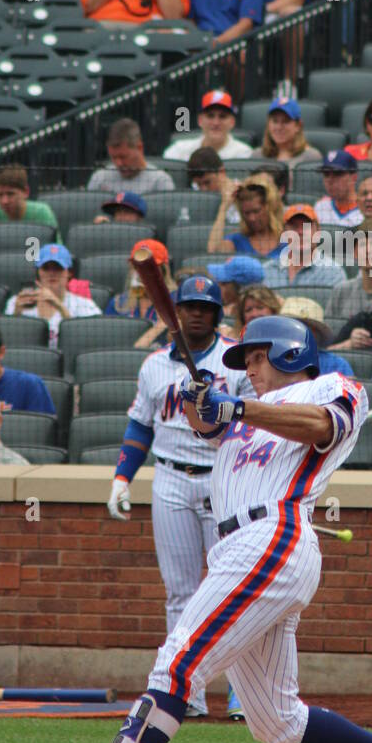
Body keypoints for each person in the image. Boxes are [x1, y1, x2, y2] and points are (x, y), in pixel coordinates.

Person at [13, 314, 372, 743]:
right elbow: (208, 424)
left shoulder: (333, 386)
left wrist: (238, 405)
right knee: (277, 722)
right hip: (239, 547)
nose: (248, 368)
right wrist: (206, 407)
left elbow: (320, 424)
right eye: (243, 361)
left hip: (271, 537)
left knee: (178, 664)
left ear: (290, 352)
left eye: (257, 357)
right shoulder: (248, 414)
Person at [103, 275, 246, 720]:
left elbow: (252, 424)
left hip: (223, 479)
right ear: (175, 312)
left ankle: (242, 695)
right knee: (180, 593)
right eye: (190, 306)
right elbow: (140, 426)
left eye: (206, 307)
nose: (197, 313)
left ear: (217, 314)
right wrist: (122, 477)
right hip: (168, 479)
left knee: (236, 588)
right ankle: (187, 694)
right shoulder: (153, 367)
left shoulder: (235, 360)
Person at [5, 244, 102, 350]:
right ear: (38, 272)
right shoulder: (16, 302)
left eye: (58, 268)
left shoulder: (86, 306)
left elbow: (90, 344)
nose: (51, 273)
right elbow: (6, 344)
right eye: (46, 268)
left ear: (69, 273)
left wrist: (60, 306)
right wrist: (16, 315)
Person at [326, 216, 372, 326]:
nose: (368, 250)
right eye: (363, 244)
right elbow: (328, 337)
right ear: (354, 253)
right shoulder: (341, 291)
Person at [263, 203, 346, 291]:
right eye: (294, 227)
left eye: (306, 227)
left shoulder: (333, 273)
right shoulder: (267, 271)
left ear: (318, 233)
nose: (300, 232)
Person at [209, 170, 286, 259]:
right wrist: (224, 206)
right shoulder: (236, 240)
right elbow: (213, 251)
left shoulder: (287, 239)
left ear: (269, 207)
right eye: (246, 213)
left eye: (256, 211)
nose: (252, 218)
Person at [88, 117, 175, 194]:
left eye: (123, 157)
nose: (119, 164)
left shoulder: (160, 181)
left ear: (139, 148)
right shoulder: (99, 178)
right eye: (114, 157)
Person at [167, 89, 252, 165]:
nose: (216, 123)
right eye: (210, 116)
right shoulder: (179, 150)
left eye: (222, 116)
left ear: (232, 122)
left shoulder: (244, 154)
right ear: (200, 120)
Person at [250, 96, 322, 176]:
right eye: (275, 121)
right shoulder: (257, 155)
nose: (279, 127)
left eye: (286, 121)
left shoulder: (310, 157)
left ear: (298, 126)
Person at [0, 165, 60, 232]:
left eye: (10, 194)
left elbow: (55, 247)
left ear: (26, 192)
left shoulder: (42, 212)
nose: (5, 201)